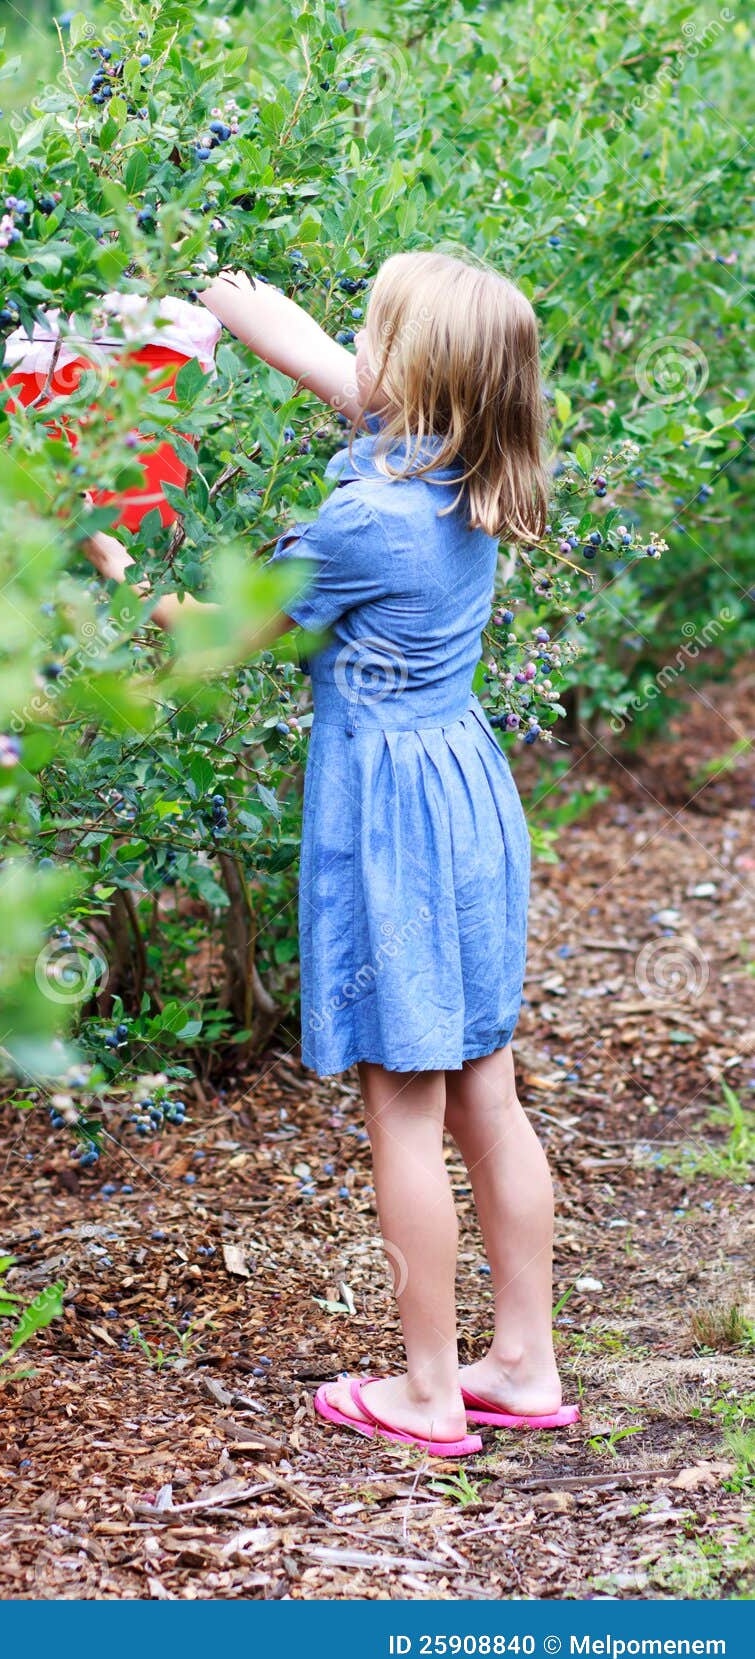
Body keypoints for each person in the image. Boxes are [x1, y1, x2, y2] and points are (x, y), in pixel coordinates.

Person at [82, 251, 580, 1456]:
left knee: (400, 1102)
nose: (354, 356)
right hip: (465, 801)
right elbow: (340, 378)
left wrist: (116, 564)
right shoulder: (464, 467)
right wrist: (222, 297)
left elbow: (218, 630)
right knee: (484, 1092)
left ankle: (422, 1388)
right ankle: (519, 1359)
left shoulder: (361, 522)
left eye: (376, 338)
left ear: (407, 378)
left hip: (392, 821)